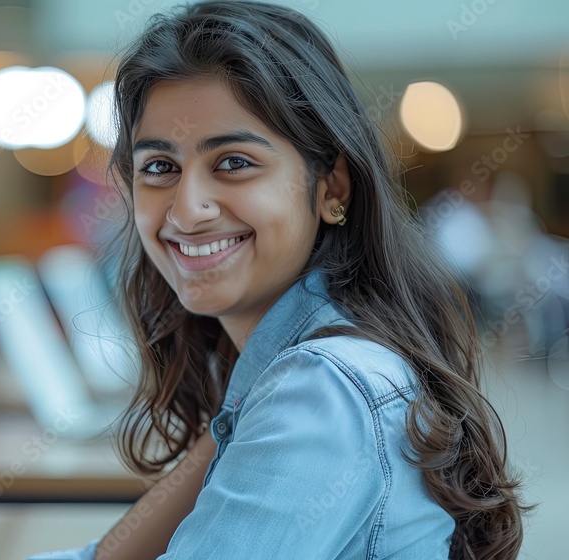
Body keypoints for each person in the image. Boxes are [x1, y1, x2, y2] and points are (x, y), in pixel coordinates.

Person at [27, 1, 531, 559]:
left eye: (234, 162)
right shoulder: (274, 369)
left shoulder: (320, 390)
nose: (186, 210)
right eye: (159, 167)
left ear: (331, 188)